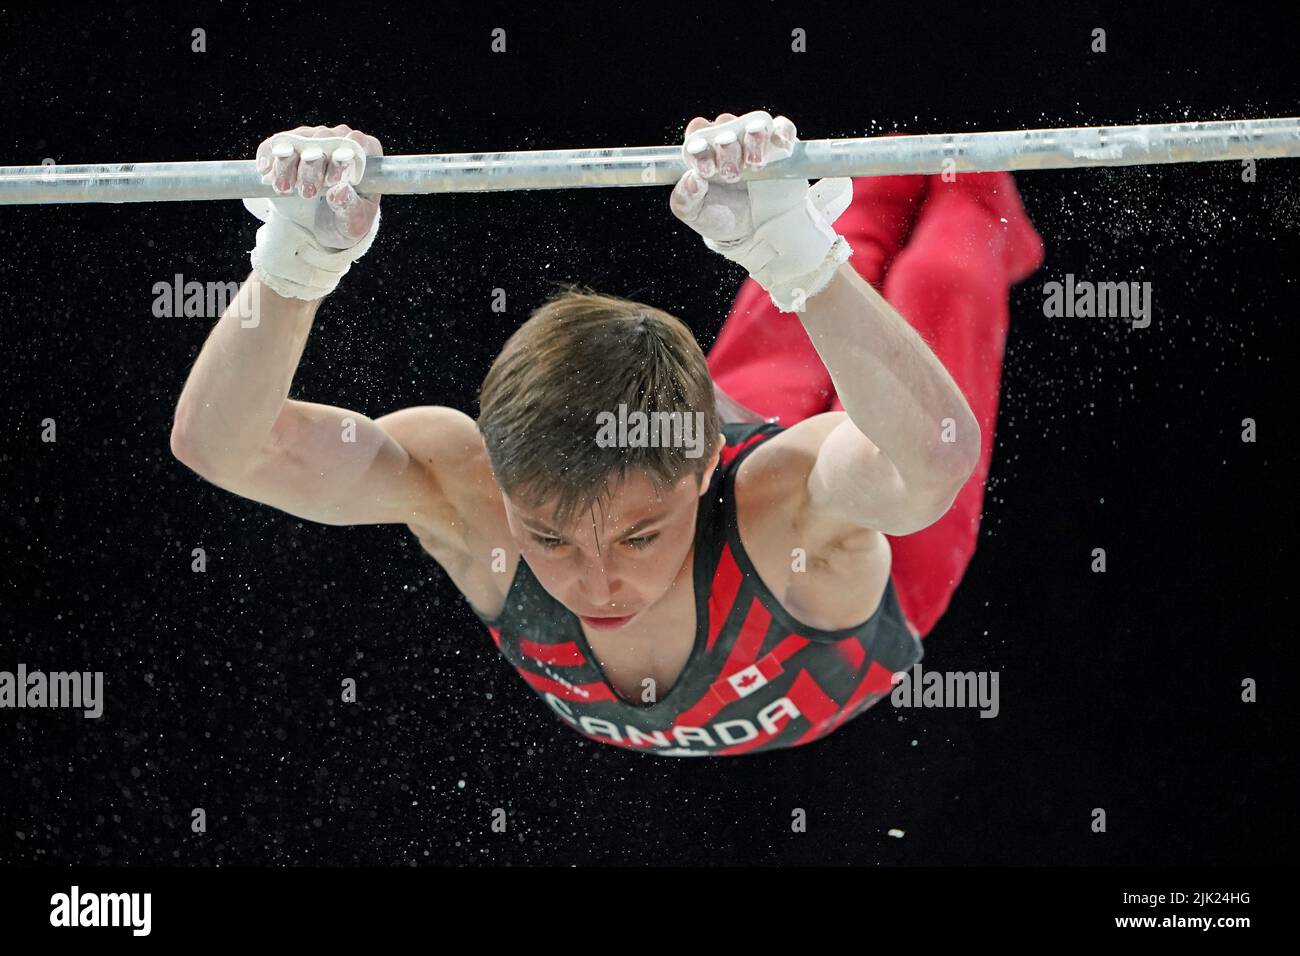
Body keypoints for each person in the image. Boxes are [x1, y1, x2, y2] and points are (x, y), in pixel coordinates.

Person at [169, 112, 1043, 757]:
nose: (597, 581)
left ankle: (940, 139)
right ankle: (819, 231)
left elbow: (930, 456)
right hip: (750, 479)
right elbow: (223, 448)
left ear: (703, 467)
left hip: (860, 548)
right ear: (500, 481)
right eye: (545, 535)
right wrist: (289, 268)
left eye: (638, 534)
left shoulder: (787, 500)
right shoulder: (466, 490)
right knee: (821, 267)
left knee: (945, 271)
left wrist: (805, 265)